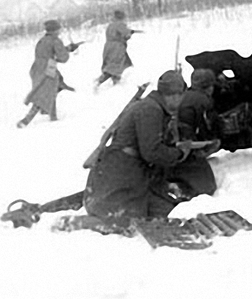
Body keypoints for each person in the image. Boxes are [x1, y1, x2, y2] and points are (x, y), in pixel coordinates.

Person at [83, 70, 201, 219]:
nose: (180, 100)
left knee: (162, 210)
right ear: (176, 95)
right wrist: (179, 153)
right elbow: (151, 152)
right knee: (128, 220)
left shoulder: (151, 106)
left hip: (128, 170)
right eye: (180, 95)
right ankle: (73, 222)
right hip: (124, 172)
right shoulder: (151, 110)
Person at [167, 68, 222, 199]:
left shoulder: (183, 96)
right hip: (184, 150)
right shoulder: (204, 101)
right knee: (207, 187)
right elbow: (207, 129)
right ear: (209, 87)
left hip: (167, 146)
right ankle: (177, 188)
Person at [19, 19, 80, 128]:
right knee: (44, 95)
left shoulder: (42, 40)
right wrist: (68, 51)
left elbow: (48, 53)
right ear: (55, 30)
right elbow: (62, 58)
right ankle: (26, 120)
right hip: (48, 70)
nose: (60, 31)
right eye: (58, 29)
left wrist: (68, 48)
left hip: (36, 69)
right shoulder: (56, 40)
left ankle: (53, 117)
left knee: (50, 91)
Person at [95, 10, 136, 88]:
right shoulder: (120, 24)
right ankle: (102, 81)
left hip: (108, 48)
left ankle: (115, 82)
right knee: (115, 66)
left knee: (112, 65)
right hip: (117, 48)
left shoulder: (110, 25)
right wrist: (130, 33)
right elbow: (126, 34)